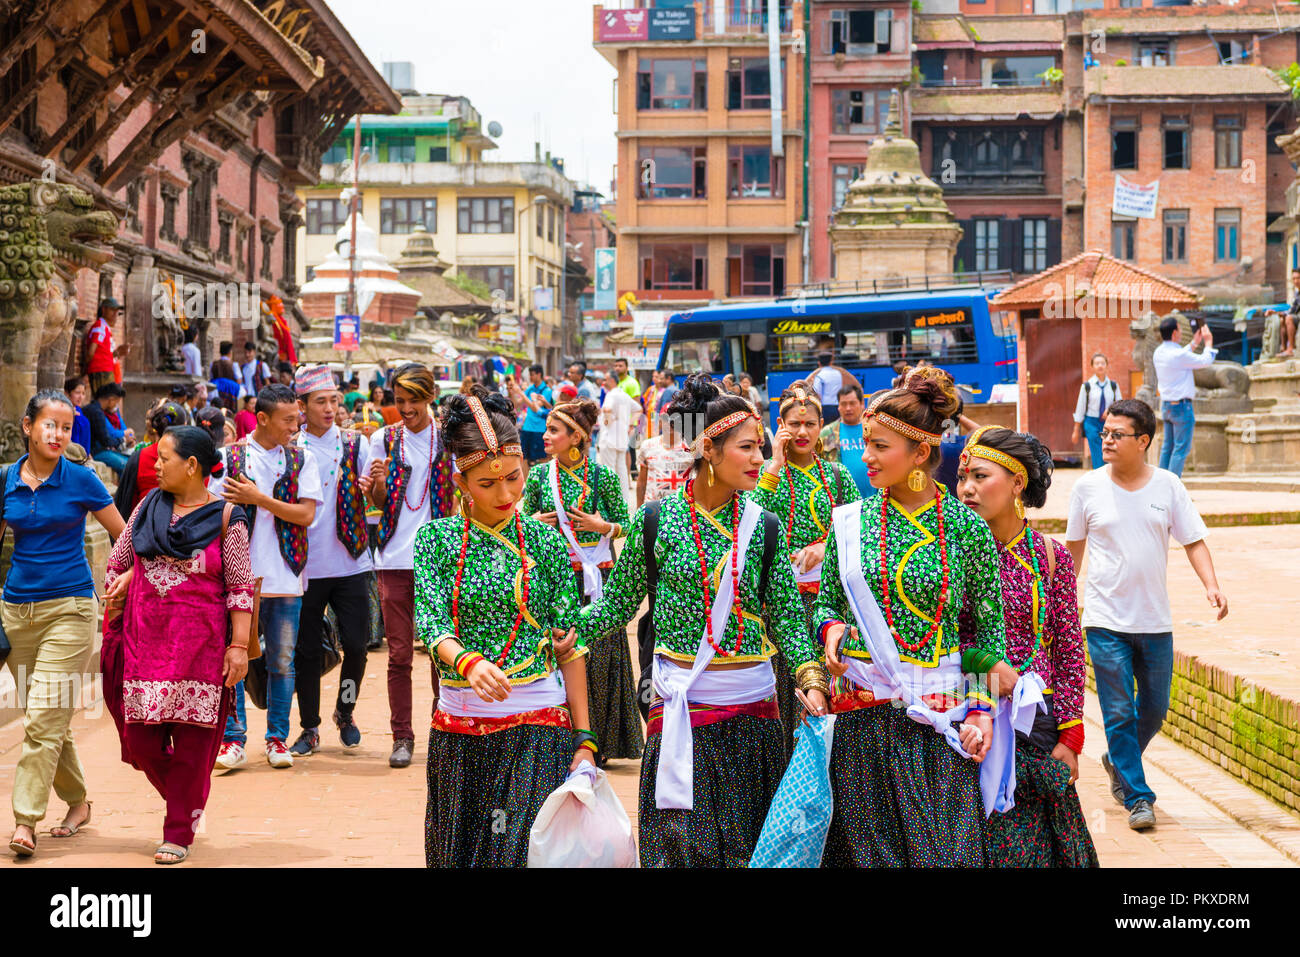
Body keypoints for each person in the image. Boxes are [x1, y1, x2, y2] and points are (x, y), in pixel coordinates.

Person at [577, 373, 827, 866]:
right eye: (748, 448)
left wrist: (810, 676)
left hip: (752, 716)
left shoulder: (764, 525)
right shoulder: (657, 520)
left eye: (761, 447)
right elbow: (617, 605)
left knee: (746, 844)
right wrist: (563, 633)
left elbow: (785, 617)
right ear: (708, 451)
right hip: (679, 712)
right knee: (681, 844)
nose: (760, 458)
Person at [815, 366, 1006, 866]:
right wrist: (831, 629)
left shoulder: (966, 528)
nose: (867, 456)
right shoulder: (850, 523)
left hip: (943, 720)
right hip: (864, 719)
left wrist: (982, 710)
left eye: (880, 446)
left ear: (921, 453)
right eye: (865, 443)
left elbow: (985, 632)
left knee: (948, 855)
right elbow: (826, 602)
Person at [414, 387, 593, 867]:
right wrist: (467, 662)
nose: (506, 494)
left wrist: (586, 740)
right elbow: (431, 620)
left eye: (513, 478)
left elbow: (568, 647)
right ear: (461, 481)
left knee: (518, 852)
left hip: (540, 725)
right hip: (460, 729)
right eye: (487, 484)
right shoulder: (436, 539)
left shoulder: (546, 543)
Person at [1065, 398, 1227, 831]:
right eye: (1105, 434)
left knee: (1154, 710)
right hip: (1104, 620)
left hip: (1155, 621)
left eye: (1117, 435)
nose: (1108, 441)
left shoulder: (1168, 486)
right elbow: (1073, 551)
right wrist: (1059, 603)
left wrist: (1211, 584)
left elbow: (1193, 539)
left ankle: (1119, 757)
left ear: (1144, 441)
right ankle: (1139, 797)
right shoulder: (1087, 488)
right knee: (1118, 712)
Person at [101, 426, 252, 864]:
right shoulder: (149, 506)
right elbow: (118, 560)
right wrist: (130, 578)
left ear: (191, 466)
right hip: (144, 644)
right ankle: (187, 805)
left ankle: (177, 831)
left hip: (201, 651)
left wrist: (238, 646)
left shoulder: (228, 518)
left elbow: (240, 587)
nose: (155, 464)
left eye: (164, 457)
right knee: (142, 742)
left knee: (192, 746)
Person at [956, 426, 1098, 867]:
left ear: (1018, 483)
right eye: (963, 479)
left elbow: (1070, 650)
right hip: (968, 714)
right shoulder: (947, 555)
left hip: (1037, 723)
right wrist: (981, 662)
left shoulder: (1050, 556)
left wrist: (1071, 733)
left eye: (981, 476)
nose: (967, 489)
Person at [4, 390, 124, 858]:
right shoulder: (4, 481)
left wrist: (127, 574)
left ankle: (24, 821)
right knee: (51, 721)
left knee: (40, 722)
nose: (58, 434)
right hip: (15, 613)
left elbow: (123, 533)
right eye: (49, 425)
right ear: (28, 426)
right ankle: (78, 803)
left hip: (70, 611)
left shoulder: (81, 479)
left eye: (67, 427)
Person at [209, 383, 323, 771]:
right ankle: (232, 739)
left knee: (282, 661)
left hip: (286, 574)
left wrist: (259, 499)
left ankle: (277, 737)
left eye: (297, 418)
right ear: (262, 419)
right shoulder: (227, 458)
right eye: (288, 419)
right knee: (233, 658)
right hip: (238, 576)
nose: (296, 425)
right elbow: (212, 514)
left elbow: (306, 515)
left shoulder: (302, 460)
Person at [520, 399, 642, 765]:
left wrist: (604, 527)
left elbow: (629, 524)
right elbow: (520, 522)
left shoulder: (602, 476)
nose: (545, 436)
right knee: (562, 653)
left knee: (600, 656)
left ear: (576, 437)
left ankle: (600, 741)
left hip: (600, 577)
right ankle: (562, 737)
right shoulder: (541, 476)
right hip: (556, 577)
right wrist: (536, 523)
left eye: (554, 430)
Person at [750, 381, 860, 753]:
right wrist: (774, 466)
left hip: (830, 605)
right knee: (786, 692)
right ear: (778, 426)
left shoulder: (838, 476)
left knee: (833, 691)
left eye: (809, 424)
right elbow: (747, 528)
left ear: (821, 425)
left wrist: (825, 544)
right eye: (793, 424)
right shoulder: (764, 473)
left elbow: (863, 529)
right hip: (779, 608)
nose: (801, 432)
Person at [361, 363, 456, 768]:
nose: (405, 409)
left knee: (442, 652)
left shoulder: (449, 440)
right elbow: (379, 504)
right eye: (399, 401)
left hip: (441, 559)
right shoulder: (383, 439)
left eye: (413, 401)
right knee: (399, 654)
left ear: (429, 398)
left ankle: (444, 730)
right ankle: (402, 737)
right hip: (395, 558)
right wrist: (378, 483)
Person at [289, 367, 372, 756]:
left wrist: (374, 489)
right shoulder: (291, 449)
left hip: (351, 561)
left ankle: (346, 708)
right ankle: (309, 726)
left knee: (357, 645)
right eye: (319, 401)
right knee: (306, 651)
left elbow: (375, 501)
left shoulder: (356, 444)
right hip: (305, 566)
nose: (329, 408)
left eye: (333, 400)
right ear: (302, 407)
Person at [1153, 317, 1217, 478]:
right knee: (1180, 449)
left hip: (1167, 405)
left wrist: (1194, 344)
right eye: (1180, 329)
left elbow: (1181, 356)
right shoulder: (1177, 355)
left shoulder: (1159, 352)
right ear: (1175, 332)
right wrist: (1208, 342)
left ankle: (1161, 485)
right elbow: (1205, 361)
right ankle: (1173, 487)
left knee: (1168, 447)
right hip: (1181, 407)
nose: (1181, 332)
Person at [114, 401, 187, 516]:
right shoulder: (191, 460)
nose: (158, 465)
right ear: (185, 426)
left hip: (142, 528)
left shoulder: (139, 457)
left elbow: (124, 504)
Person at [818, 382, 872, 497]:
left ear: (862, 404)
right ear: (838, 406)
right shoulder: (826, 434)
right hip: (841, 502)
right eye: (843, 404)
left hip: (875, 500)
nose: (848, 408)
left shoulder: (873, 430)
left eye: (852, 403)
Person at [596, 369, 639, 509]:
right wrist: (630, 423)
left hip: (609, 439)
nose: (604, 381)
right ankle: (623, 503)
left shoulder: (611, 395)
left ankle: (610, 504)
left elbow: (607, 410)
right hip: (621, 439)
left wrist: (607, 421)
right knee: (621, 473)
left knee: (609, 471)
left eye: (606, 379)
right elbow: (638, 409)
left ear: (612, 380)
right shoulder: (624, 395)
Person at [636, 406, 693, 509]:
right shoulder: (647, 446)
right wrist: (639, 510)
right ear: (661, 421)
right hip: (653, 509)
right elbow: (641, 482)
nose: (670, 423)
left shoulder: (690, 447)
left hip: (681, 510)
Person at [1071, 353, 1121, 469]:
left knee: (1109, 449)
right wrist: (1076, 430)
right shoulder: (1087, 386)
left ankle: (1110, 474)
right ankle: (1100, 476)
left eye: (1102, 363)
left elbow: (1120, 404)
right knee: (1097, 452)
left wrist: (1110, 409)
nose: (1100, 366)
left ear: (1107, 366)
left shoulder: (1113, 386)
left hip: (1109, 423)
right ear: (1092, 367)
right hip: (1091, 423)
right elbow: (1080, 408)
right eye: (1097, 363)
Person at [85, 381, 133, 476]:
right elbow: (105, 440)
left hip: (101, 450)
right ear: (111, 400)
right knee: (128, 466)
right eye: (116, 402)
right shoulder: (96, 412)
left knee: (131, 462)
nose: (116, 405)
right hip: (96, 452)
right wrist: (122, 440)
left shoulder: (95, 409)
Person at [84, 298, 129, 396]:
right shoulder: (99, 327)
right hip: (101, 371)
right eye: (112, 310)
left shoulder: (105, 328)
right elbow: (91, 352)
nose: (115, 314)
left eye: (117, 311)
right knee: (105, 400)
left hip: (106, 370)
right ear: (103, 310)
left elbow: (103, 353)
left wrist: (118, 352)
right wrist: (88, 367)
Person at [520, 364, 552, 466]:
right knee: (524, 458)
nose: (530, 377)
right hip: (527, 427)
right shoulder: (530, 389)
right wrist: (512, 391)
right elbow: (518, 403)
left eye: (532, 375)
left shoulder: (546, 390)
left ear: (539, 374)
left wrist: (521, 394)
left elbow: (535, 409)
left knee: (541, 458)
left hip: (539, 429)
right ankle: (527, 481)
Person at [808, 351, 844, 423]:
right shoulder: (838, 373)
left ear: (819, 363)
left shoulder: (819, 375)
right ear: (831, 362)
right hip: (838, 407)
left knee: (826, 432)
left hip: (825, 408)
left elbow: (817, 393)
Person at [64, 376, 91, 454]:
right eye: (77, 392)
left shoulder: (78, 410)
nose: (81, 397)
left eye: (83, 393)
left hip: (83, 454)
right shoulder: (64, 411)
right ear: (67, 393)